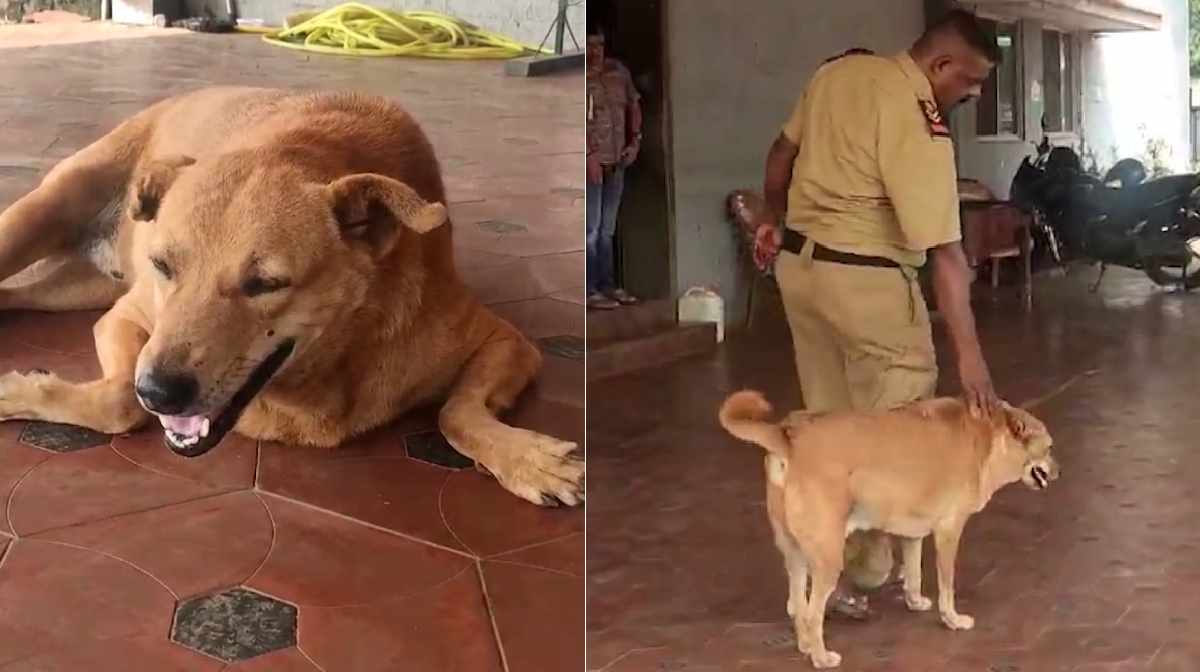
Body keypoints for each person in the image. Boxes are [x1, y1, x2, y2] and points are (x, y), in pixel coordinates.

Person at [753, 10, 1003, 618]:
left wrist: (771, 217)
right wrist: (970, 358)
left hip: (803, 274)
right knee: (897, 436)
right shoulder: (919, 121)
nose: (971, 95)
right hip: (867, 286)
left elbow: (781, 152)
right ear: (940, 65)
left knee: (828, 426)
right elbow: (945, 253)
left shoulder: (839, 74)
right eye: (968, 83)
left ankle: (821, 565)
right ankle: (862, 569)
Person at [586, 26, 643, 311]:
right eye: (589, 45)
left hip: (618, 162)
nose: (595, 51)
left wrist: (636, 141)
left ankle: (608, 286)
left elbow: (634, 105)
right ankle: (589, 289)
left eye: (599, 44)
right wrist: (588, 156)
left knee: (607, 230)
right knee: (591, 230)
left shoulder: (618, 73)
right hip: (592, 164)